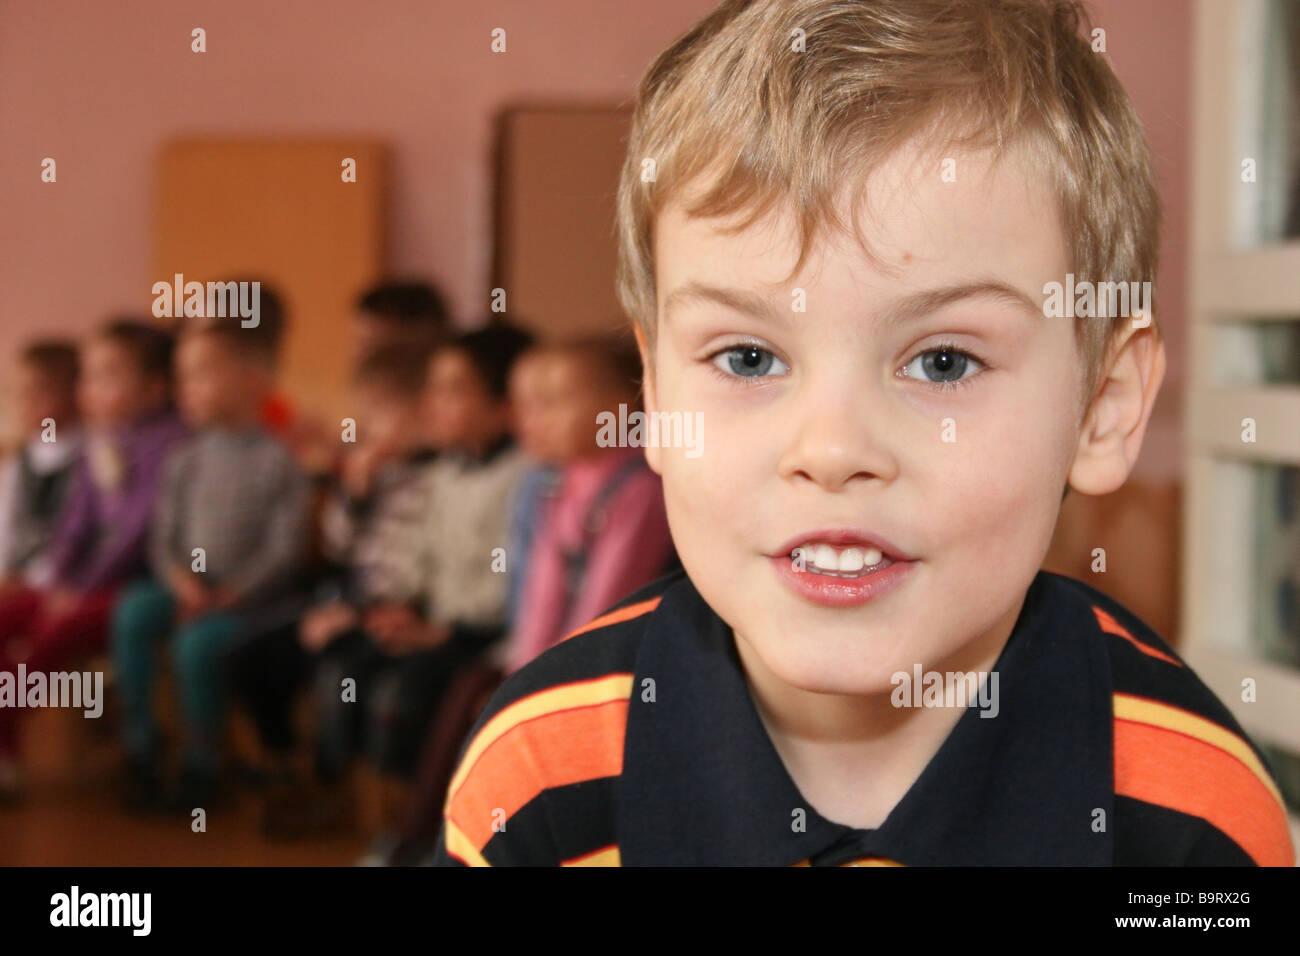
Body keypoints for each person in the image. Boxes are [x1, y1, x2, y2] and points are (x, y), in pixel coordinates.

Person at [433, 0, 1295, 866]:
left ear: (1103, 406)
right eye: (746, 358)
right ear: (655, 393)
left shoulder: (1194, 812)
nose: (832, 450)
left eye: (944, 363)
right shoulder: (536, 776)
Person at [288, 323, 533, 843]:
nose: (434, 403)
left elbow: (510, 580)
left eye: (453, 389)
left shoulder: (521, 477)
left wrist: (441, 632)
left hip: (480, 635)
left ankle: (419, 826)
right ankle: (352, 802)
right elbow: (418, 555)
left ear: (503, 404)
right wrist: (404, 610)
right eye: (433, 388)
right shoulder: (444, 473)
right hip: (431, 621)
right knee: (342, 666)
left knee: (400, 693)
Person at [111, 319, 309, 811]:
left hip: (248, 602)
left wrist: (233, 594)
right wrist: (181, 583)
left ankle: (202, 765)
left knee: (198, 646)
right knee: (134, 611)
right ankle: (143, 747)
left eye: (199, 375)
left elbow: (286, 550)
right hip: (188, 588)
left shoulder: (279, 459)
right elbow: (164, 539)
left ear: (251, 380)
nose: (184, 390)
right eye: (181, 376)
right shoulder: (186, 458)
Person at [241, 343, 439, 834]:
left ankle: (333, 787)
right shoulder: (373, 475)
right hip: (349, 599)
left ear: (424, 414)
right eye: (365, 413)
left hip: (396, 611)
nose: (371, 428)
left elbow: (421, 572)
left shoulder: (437, 480)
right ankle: (287, 769)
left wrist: (356, 612)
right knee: (250, 655)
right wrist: (354, 494)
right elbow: (337, 548)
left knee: (337, 674)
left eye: (384, 412)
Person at [0, 320, 186, 802]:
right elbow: (73, 524)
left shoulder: (171, 444)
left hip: (129, 587)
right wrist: (60, 579)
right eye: (87, 376)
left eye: (107, 376)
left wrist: (76, 590)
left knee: (49, 635)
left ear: (154, 387)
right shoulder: (98, 440)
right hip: (76, 584)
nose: (90, 390)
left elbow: (136, 533)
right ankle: (7, 753)